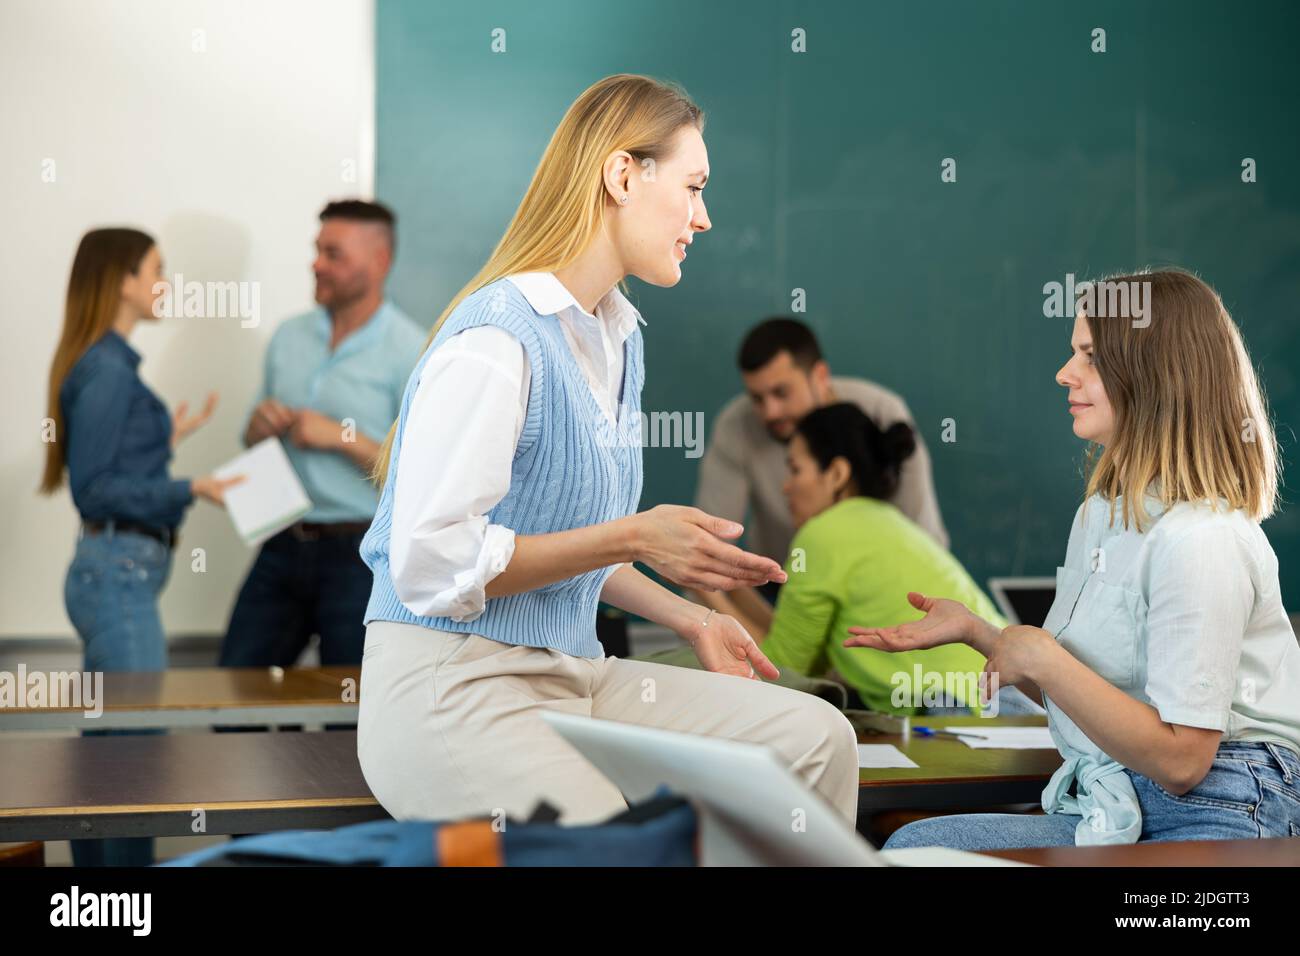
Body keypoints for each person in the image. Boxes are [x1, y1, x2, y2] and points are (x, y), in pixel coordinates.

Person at [356, 74, 860, 826]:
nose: (705, 217)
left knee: (816, 736)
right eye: (693, 188)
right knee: (614, 845)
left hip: (573, 675)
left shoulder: (619, 338)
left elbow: (572, 546)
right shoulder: (497, 339)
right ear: (622, 175)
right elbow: (429, 562)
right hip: (451, 685)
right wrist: (636, 533)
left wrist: (691, 619)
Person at [849, 270, 1300, 848]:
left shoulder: (1201, 540)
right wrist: (984, 635)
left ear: (1153, 374)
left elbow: (1185, 760)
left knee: (917, 852)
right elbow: (1086, 693)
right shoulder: (1102, 517)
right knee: (916, 848)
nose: (1065, 374)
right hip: (1120, 797)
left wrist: (1043, 657)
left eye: (1089, 356)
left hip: (1220, 807)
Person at [40, 228, 240, 865]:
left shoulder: (110, 366)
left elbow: (112, 469)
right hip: (116, 579)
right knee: (130, 763)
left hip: (117, 577)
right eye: (157, 269)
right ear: (122, 279)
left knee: (116, 757)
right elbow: (95, 490)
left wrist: (163, 438)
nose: (165, 283)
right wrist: (191, 486)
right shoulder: (107, 371)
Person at [220, 201, 424, 669]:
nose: (316, 264)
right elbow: (251, 439)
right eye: (317, 251)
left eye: (334, 254)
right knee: (236, 692)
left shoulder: (411, 350)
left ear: (379, 263)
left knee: (348, 711)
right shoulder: (288, 336)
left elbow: (420, 475)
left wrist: (341, 438)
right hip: (280, 542)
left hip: (362, 557)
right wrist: (257, 428)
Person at [693, 318, 947, 632]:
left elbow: (924, 542)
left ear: (820, 376)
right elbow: (710, 547)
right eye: (757, 398)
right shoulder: (737, 425)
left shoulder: (882, 411)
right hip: (780, 583)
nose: (769, 412)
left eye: (781, 392)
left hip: (875, 592)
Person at [752, 403, 1001, 715]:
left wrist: (711, 604)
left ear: (837, 474)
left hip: (951, 705)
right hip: (1013, 689)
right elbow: (809, 661)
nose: (786, 486)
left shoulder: (823, 534)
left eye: (795, 470)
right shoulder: (893, 522)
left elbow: (780, 671)